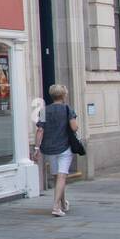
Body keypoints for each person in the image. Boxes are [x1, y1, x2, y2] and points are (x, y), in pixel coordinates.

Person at [33, 83, 80, 217]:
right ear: (64, 95)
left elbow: (40, 130)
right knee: (62, 176)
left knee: (58, 176)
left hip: (48, 148)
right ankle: (55, 206)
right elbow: (74, 127)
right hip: (64, 147)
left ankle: (63, 202)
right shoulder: (67, 109)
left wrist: (36, 148)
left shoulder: (43, 111)